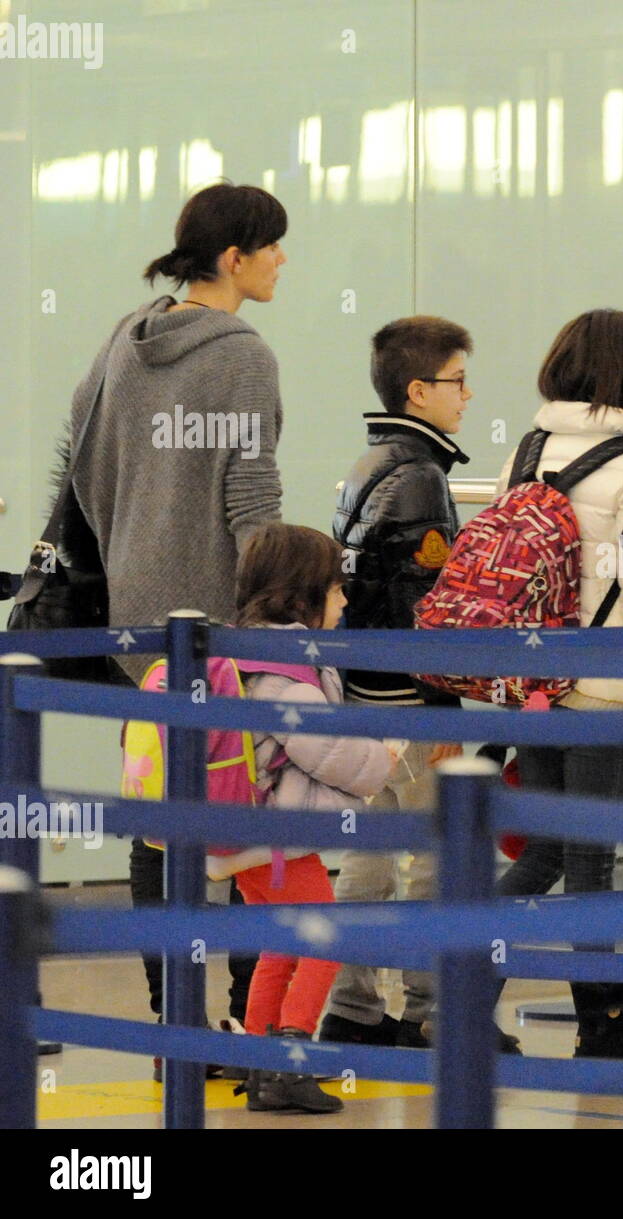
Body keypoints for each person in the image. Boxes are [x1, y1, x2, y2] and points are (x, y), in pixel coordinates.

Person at [68, 181, 288, 1043]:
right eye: (273, 245)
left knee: (160, 821)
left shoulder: (125, 339)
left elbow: (82, 469)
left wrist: (134, 544)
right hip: (223, 621)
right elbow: (252, 496)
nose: (282, 261)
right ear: (234, 258)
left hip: (139, 622)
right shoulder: (243, 353)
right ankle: (240, 1019)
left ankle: (173, 1029)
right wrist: (277, 606)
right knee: (244, 817)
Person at [491, 310, 623, 1060]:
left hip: (536, 675)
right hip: (603, 680)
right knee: (585, 858)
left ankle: (462, 996)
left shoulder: (529, 447)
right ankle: (604, 1027)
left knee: (549, 850)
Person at [320, 317, 477, 1052]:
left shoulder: (369, 461)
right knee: (438, 854)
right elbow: (427, 606)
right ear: (418, 390)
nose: (468, 395)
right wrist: (446, 704)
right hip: (410, 697)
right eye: (456, 380)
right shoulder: (421, 477)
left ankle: (350, 1005)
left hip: (363, 687)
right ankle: (430, 1012)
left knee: (372, 852)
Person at [228, 524, 396, 1113]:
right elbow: (332, 752)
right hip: (276, 837)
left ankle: (261, 1062)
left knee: (281, 946)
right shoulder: (282, 666)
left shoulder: (243, 648)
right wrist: (385, 757)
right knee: (326, 935)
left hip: (246, 834)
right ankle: (293, 1060)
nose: (346, 600)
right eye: (336, 588)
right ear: (301, 596)